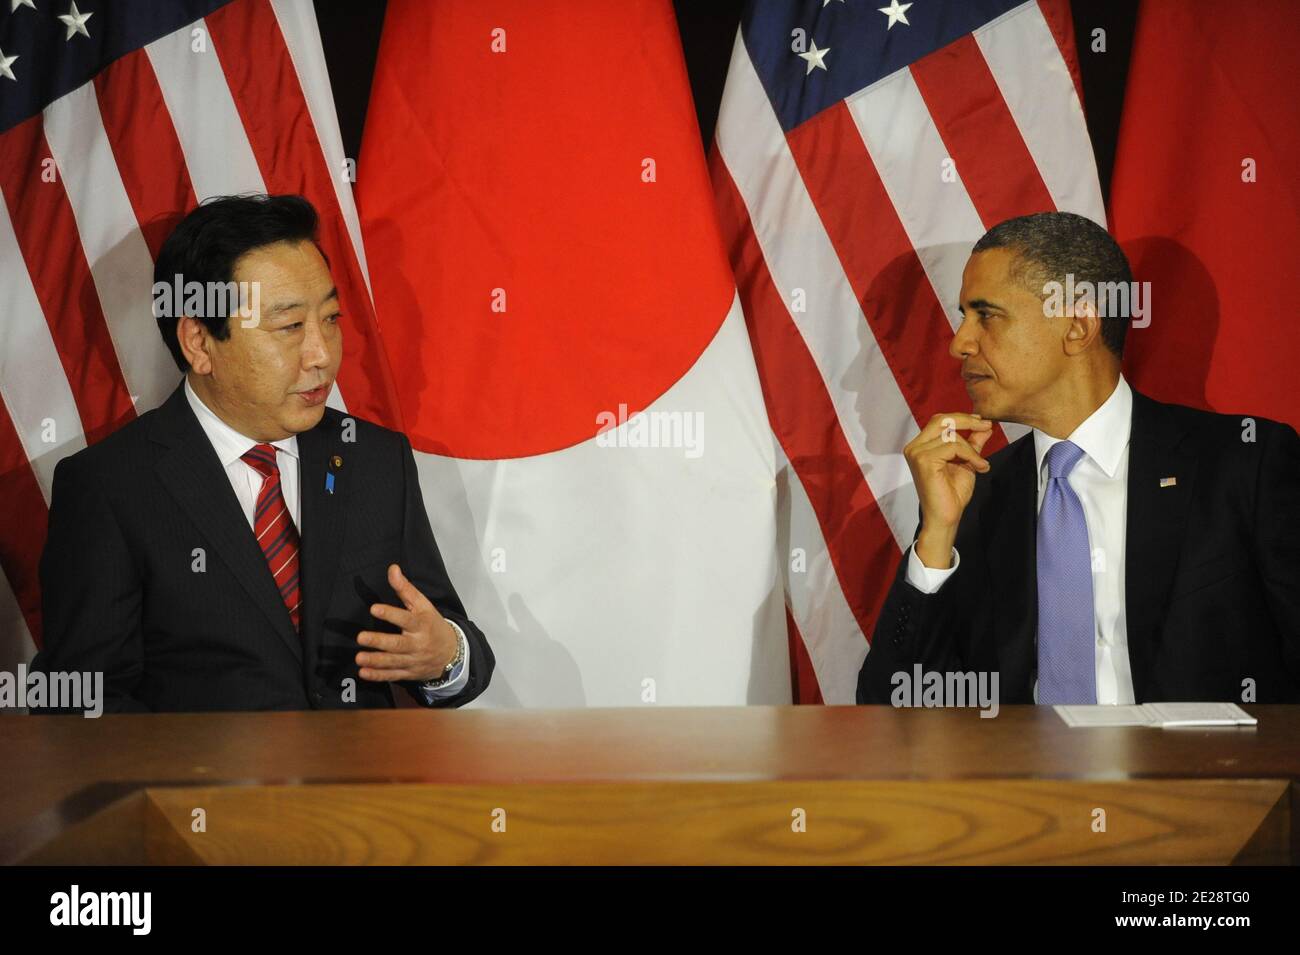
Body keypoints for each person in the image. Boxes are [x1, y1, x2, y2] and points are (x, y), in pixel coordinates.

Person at [32, 194, 493, 713]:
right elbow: (78, 704)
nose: (322, 355)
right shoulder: (110, 487)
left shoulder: (374, 459)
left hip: (363, 791)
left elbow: (459, 646)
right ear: (200, 343)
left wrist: (446, 656)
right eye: (290, 327)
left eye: (332, 318)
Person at [858, 212, 1300, 706]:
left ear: (1078, 325)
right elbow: (894, 708)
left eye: (986, 314)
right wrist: (935, 538)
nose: (959, 342)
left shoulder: (1243, 465)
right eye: (964, 316)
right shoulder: (973, 496)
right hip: (1025, 783)